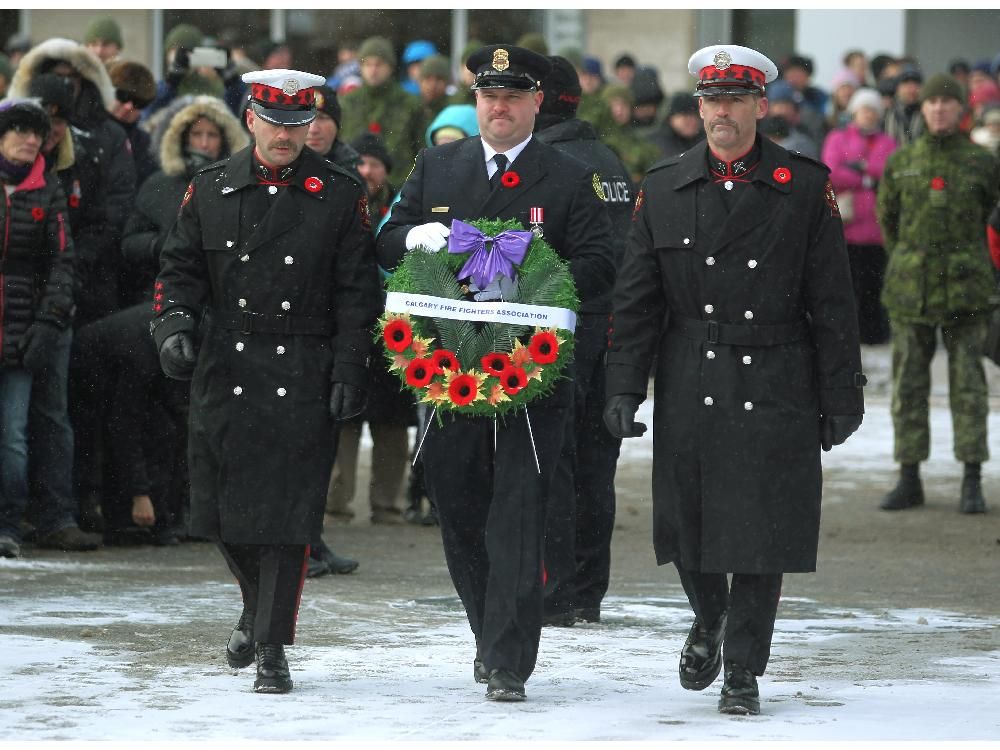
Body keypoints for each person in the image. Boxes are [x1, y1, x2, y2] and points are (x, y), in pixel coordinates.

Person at [603, 44, 865, 716]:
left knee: (762, 527)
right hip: (693, 369)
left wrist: (842, 392)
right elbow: (637, 300)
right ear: (698, 108)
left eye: (736, 99)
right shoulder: (663, 186)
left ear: (759, 106)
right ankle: (710, 616)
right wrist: (623, 386)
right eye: (711, 100)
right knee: (687, 522)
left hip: (779, 372)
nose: (723, 111)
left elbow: (833, 300)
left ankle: (743, 668)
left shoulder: (803, 186)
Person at [377, 44, 614, 702]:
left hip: (531, 373)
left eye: (513, 96)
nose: (500, 106)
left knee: (518, 511)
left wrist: (535, 275)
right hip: (451, 367)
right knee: (459, 504)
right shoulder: (439, 164)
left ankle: (509, 658)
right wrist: (413, 240)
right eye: (489, 95)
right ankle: (490, 630)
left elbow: (602, 261)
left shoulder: (565, 176)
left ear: (537, 102)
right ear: (476, 100)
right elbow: (387, 235)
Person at [150, 69, 382, 693]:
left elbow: (358, 292)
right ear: (250, 119)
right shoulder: (213, 187)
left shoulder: (337, 192)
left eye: (298, 125)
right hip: (225, 363)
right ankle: (258, 610)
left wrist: (350, 366)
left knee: (287, 516)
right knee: (219, 510)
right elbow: (179, 268)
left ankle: (274, 647)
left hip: (302, 366)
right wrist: (173, 326)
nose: (285, 136)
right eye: (274, 123)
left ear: (313, 126)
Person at [532, 55, 632, 627]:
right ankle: (588, 590)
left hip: (567, 328)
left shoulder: (553, 163)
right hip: (611, 326)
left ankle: (558, 588)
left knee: (557, 462)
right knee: (598, 465)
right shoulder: (606, 159)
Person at [876, 73, 999, 515]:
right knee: (909, 386)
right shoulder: (902, 161)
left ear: (961, 109)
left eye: (948, 102)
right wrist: (911, 261)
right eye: (933, 103)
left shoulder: (982, 162)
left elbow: (992, 218)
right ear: (922, 109)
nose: (939, 109)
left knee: (969, 388)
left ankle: (971, 479)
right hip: (912, 291)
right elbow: (888, 221)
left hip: (968, 289)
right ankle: (909, 477)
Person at [0, 99, 77, 559]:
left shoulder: (47, 190)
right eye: (19, 131)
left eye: (36, 132)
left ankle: (9, 523)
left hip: (23, 331)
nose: (30, 139)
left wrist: (49, 322)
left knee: (12, 432)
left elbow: (63, 264)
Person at [821, 87, 897, 345]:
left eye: (873, 110)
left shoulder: (887, 142)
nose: (869, 115)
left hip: (876, 227)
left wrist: (859, 170)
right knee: (848, 283)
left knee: (875, 283)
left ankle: (874, 333)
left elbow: (890, 170)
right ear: (854, 111)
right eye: (864, 109)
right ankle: (848, 333)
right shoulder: (838, 137)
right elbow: (831, 170)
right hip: (848, 224)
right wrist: (866, 178)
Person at [339, 36, 424, 181]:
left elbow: (420, 149)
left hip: (399, 185)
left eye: (378, 64)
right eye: (367, 64)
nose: (373, 70)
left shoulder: (409, 103)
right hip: (353, 183)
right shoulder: (347, 102)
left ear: (390, 67)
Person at [108, 61, 158, 187]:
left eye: (138, 102)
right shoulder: (89, 131)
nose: (128, 106)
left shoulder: (145, 143)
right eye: (123, 96)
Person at [647, 91, 704, 161]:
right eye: (685, 115)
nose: (692, 121)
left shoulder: (705, 141)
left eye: (694, 115)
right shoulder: (654, 144)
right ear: (669, 119)